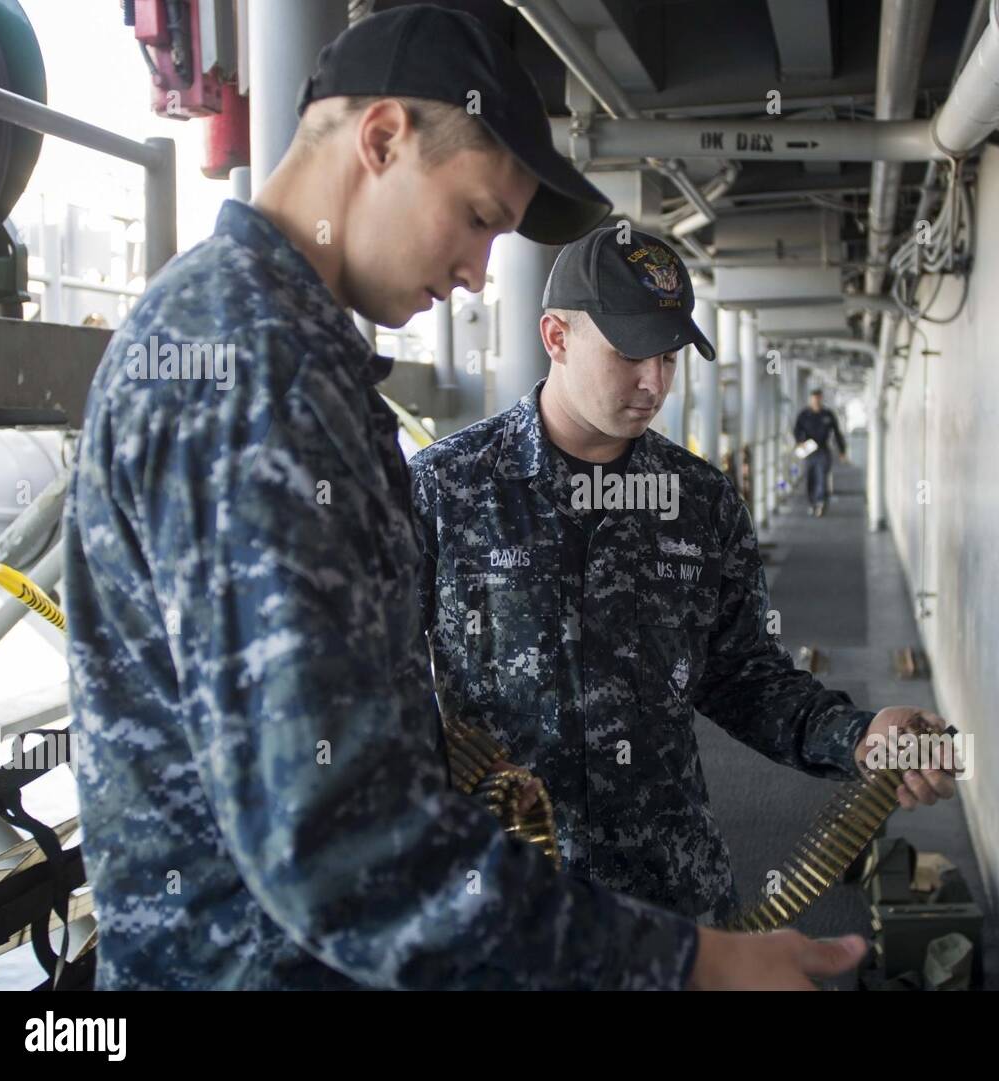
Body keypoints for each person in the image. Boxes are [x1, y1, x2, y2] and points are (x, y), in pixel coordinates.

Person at [62, 5, 861, 991]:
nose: (483, 273)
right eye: (480, 218)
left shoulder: (281, 355)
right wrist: (687, 965)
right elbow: (336, 845)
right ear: (383, 139)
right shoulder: (253, 373)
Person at [408, 225, 957, 928]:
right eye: (631, 354)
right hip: (501, 902)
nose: (654, 383)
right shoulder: (445, 489)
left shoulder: (698, 499)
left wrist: (858, 734)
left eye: (669, 357)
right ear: (556, 335)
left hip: (669, 897)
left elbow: (742, 675)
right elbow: (374, 687)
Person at [793, 388, 847, 516]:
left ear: (821, 399)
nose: (816, 401)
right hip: (809, 450)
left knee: (822, 477)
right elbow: (796, 430)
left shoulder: (828, 415)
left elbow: (837, 433)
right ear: (811, 399)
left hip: (823, 450)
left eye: (818, 398)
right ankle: (812, 503)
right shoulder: (804, 414)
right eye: (814, 398)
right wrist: (800, 441)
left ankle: (820, 503)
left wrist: (842, 451)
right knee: (810, 478)